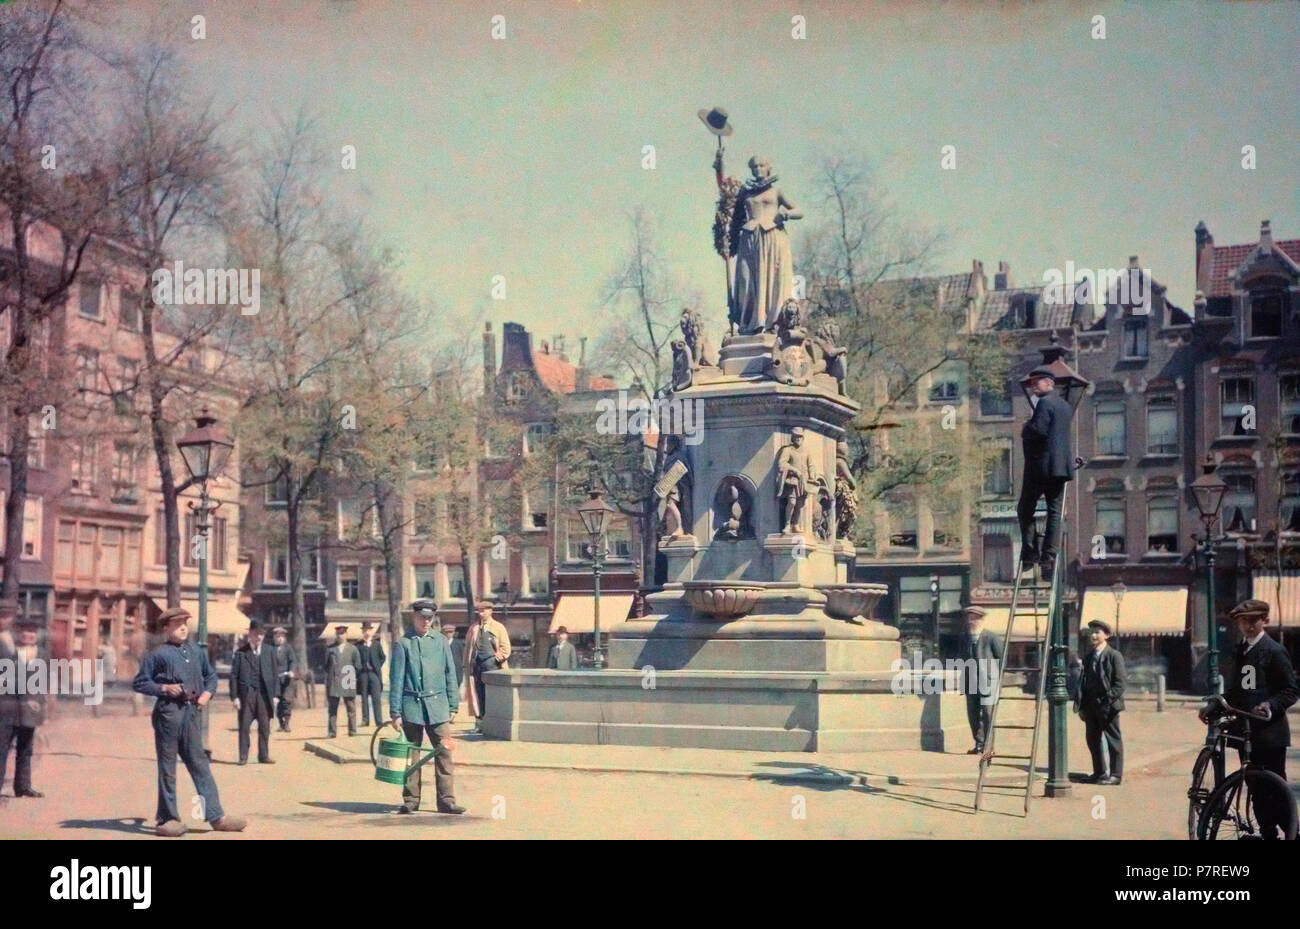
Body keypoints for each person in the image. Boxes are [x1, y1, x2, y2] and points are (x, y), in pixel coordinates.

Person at [132, 607, 245, 836]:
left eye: (185, 623)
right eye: (177, 624)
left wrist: (207, 694)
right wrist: (163, 687)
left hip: (191, 714)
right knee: (168, 768)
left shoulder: (196, 651)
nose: (183, 627)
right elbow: (140, 683)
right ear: (166, 628)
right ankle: (167, 819)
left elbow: (210, 676)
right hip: (168, 715)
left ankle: (216, 816)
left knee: (200, 764)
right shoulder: (157, 654)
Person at [1209, 599, 1298, 837]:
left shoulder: (1274, 651)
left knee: (1275, 789)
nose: (1247, 626)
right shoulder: (1242, 649)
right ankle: (1268, 833)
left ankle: (1292, 832)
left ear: (1264, 621)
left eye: (1252, 621)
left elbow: (1290, 690)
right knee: (1255, 788)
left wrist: (1270, 704)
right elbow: (1240, 689)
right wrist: (1218, 702)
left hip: (1269, 734)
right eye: (1242, 621)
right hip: (1246, 731)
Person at [390, 598, 464, 814]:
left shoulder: (440, 641)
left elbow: (450, 673)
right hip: (411, 707)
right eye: (422, 617)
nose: (426, 622)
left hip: (438, 707)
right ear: (414, 617)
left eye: (430, 618)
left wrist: (453, 706)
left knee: (444, 754)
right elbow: (397, 680)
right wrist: (395, 712)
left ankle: (447, 801)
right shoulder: (403, 644)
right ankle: (411, 800)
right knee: (412, 755)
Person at [1016, 369, 1076, 576]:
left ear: (1049, 382)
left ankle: (1030, 551)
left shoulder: (1044, 403)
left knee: (1024, 508)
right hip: (1060, 468)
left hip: (1041, 467)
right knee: (1054, 511)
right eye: (1031, 382)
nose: (1033, 386)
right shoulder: (1066, 407)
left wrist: (1025, 427)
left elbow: (1038, 430)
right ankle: (1049, 555)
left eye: (1036, 382)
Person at [0, 608, 48, 800]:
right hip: (7, 709)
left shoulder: (43, 654)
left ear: (37, 635)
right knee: (2, 749)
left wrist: (43, 708)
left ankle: (23, 787)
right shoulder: (8, 652)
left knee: (26, 749)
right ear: (18, 633)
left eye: (33, 632)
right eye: (25, 631)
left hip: (31, 710)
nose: (29, 635)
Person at [1076, 619, 1125, 785]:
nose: (1094, 635)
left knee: (1113, 740)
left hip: (1108, 706)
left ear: (1107, 635)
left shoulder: (1114, 656)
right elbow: (1084, 682)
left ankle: (1116, 775)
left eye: (1098, 632)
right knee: (1093, 740)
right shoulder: (1089, 657)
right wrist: (1082, 706)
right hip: (1091, 706)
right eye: (1092, 632)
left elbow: (1120, 684)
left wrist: (1108, 700)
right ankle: (1099, 772)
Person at [229, 619, 279, 765]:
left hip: (264, 696)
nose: (259, 637)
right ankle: (243, 756)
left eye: (262, 634)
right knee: (244, 726)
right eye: (256, 634)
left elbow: (275, 674)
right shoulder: (240, 653)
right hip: (246, 696)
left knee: (264, 727)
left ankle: (263, 755)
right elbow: (234, 676)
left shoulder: (270, 651)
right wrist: (235, 697)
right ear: (249, 634)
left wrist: (275, 695)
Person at [960, 606, 1002, 755]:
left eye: (975, 618)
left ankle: (989, 747)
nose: (971, 621)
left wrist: (995, 679)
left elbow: (1001, 659)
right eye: (969, 618)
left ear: (981, 619)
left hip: (988, 683)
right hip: (970, 683)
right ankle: (979, 744)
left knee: (988, 715)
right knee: (973, 715)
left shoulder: (991, 637)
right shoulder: (965, 637)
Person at [465, 603, 510, 731]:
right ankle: (479, 723)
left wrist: (496, 659)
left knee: (493, 694)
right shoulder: (474, 628)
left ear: (491, 611)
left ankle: (495, 724)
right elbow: (467, 648)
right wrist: (467, 664)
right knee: (478, 694)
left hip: (493, 666)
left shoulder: (498, 627)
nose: (481, 614)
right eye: (479, 611)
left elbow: (506, 648)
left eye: (484, 611)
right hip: (477, 666)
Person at [324, 624, 359, 738]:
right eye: (338, 634)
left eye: (343, 633)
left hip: (348, 681)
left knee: (351, 708)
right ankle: (332, 732)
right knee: (332, 709)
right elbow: (326, 666)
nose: (341, 636)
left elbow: (357, 666)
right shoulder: (330, 649)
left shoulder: (353, 649)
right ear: (336, 635)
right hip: (334, 682)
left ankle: (352, 731)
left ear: (346, 634)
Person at [355, 621, 386, 728]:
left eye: (368, 630)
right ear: (362, 631)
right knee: (364, 698)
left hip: (374, 674)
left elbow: (383, 657)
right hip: (363, 675)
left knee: (376, 698)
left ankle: (379, 721)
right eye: (364, 630)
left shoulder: (376, 644)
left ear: (372, 631)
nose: (366, 632)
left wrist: (377, 666)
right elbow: (355, 660)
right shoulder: (358, 645)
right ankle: (365, 720)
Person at [272, 626, 296, 732]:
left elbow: (293, 661)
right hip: (275, 679)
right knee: (277, 701)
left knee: (286, 701)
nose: (279, 638)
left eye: (281, 636)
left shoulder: (288, 648)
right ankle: (280, 723)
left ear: (285, 638)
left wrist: (291, 671)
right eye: (277, 636)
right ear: (274, 638)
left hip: (286, 678)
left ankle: (286, 723)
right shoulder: (271, 649)